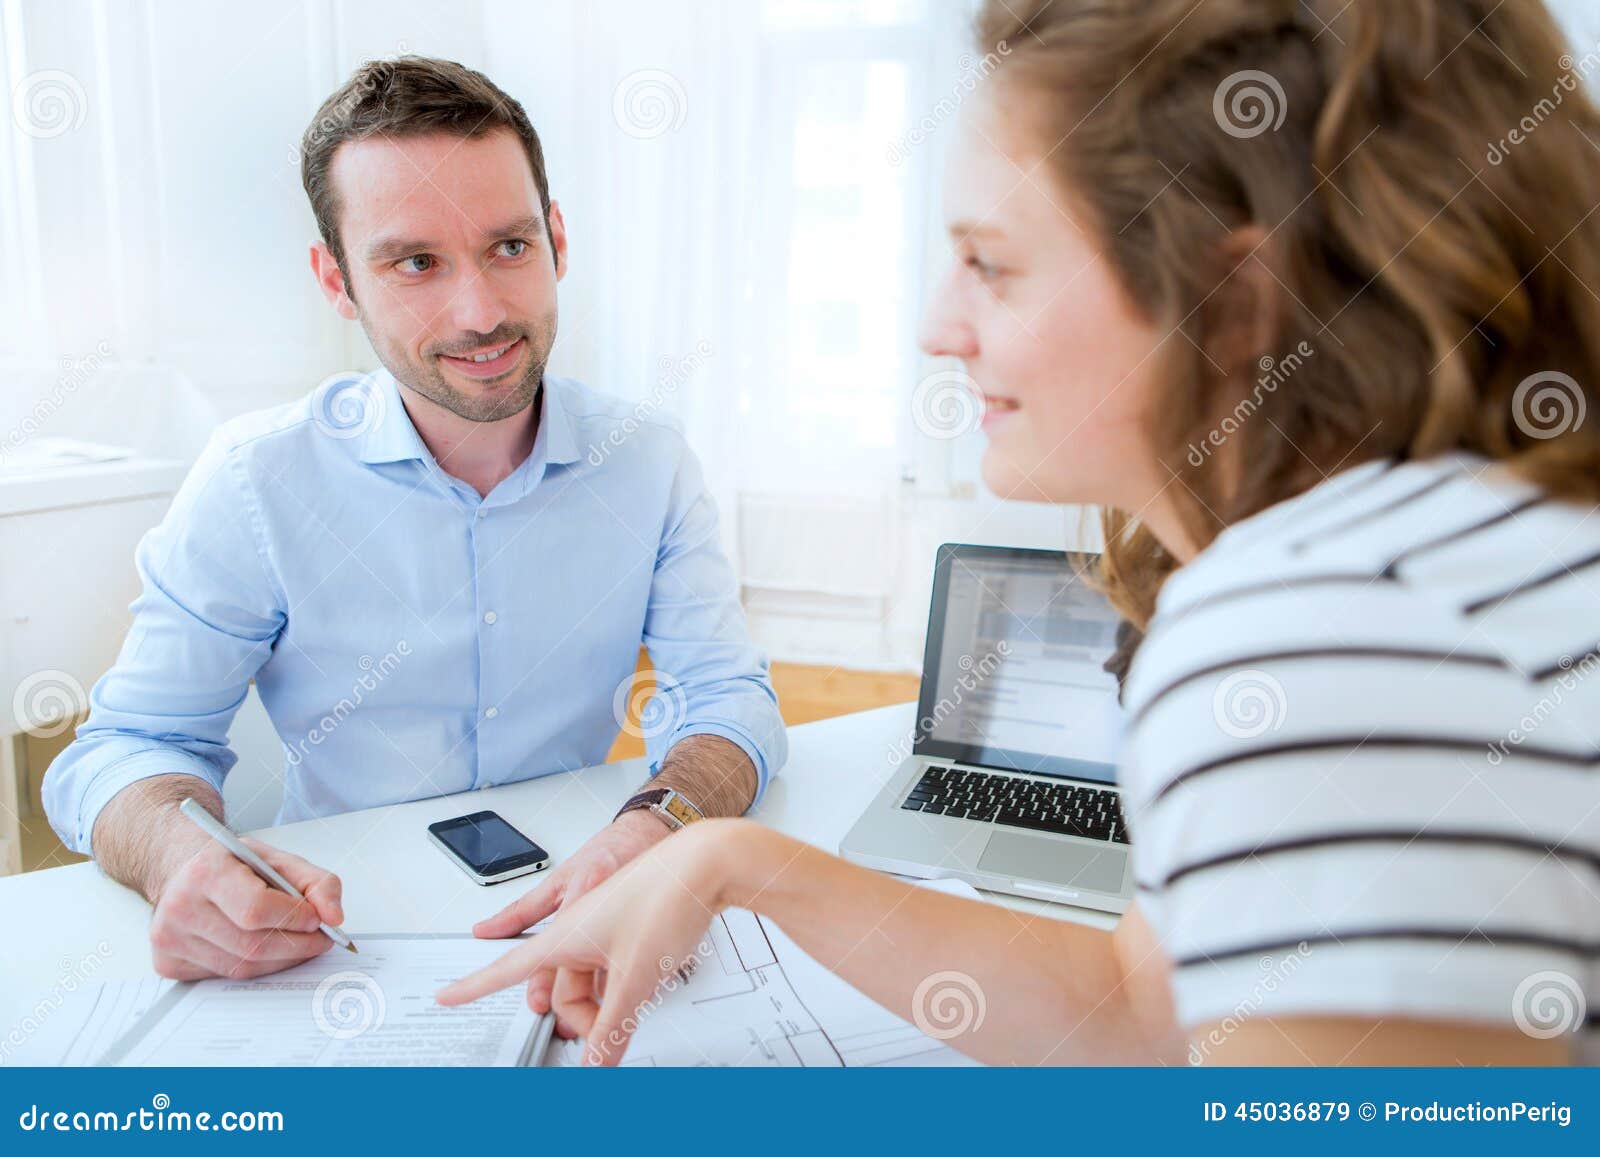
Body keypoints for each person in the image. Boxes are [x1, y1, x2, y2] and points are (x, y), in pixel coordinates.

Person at [440, 0, 1600, 1066]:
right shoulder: (1449, 552)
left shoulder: (1326, 632)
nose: (937, 327)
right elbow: (1143, 1011)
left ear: (1235, 305)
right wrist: (728, 859)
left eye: (990, 263)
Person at [42, 58, 785, 990]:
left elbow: (726, 697)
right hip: (344, 945)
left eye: (510, 247)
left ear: (557, 239)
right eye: (415, 263)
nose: (479, 313)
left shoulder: (647, 459)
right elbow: (122, 750)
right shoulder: (254, 480)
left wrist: (659, 823)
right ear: (338, 280)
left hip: (585, 903)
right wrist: (176, 858)